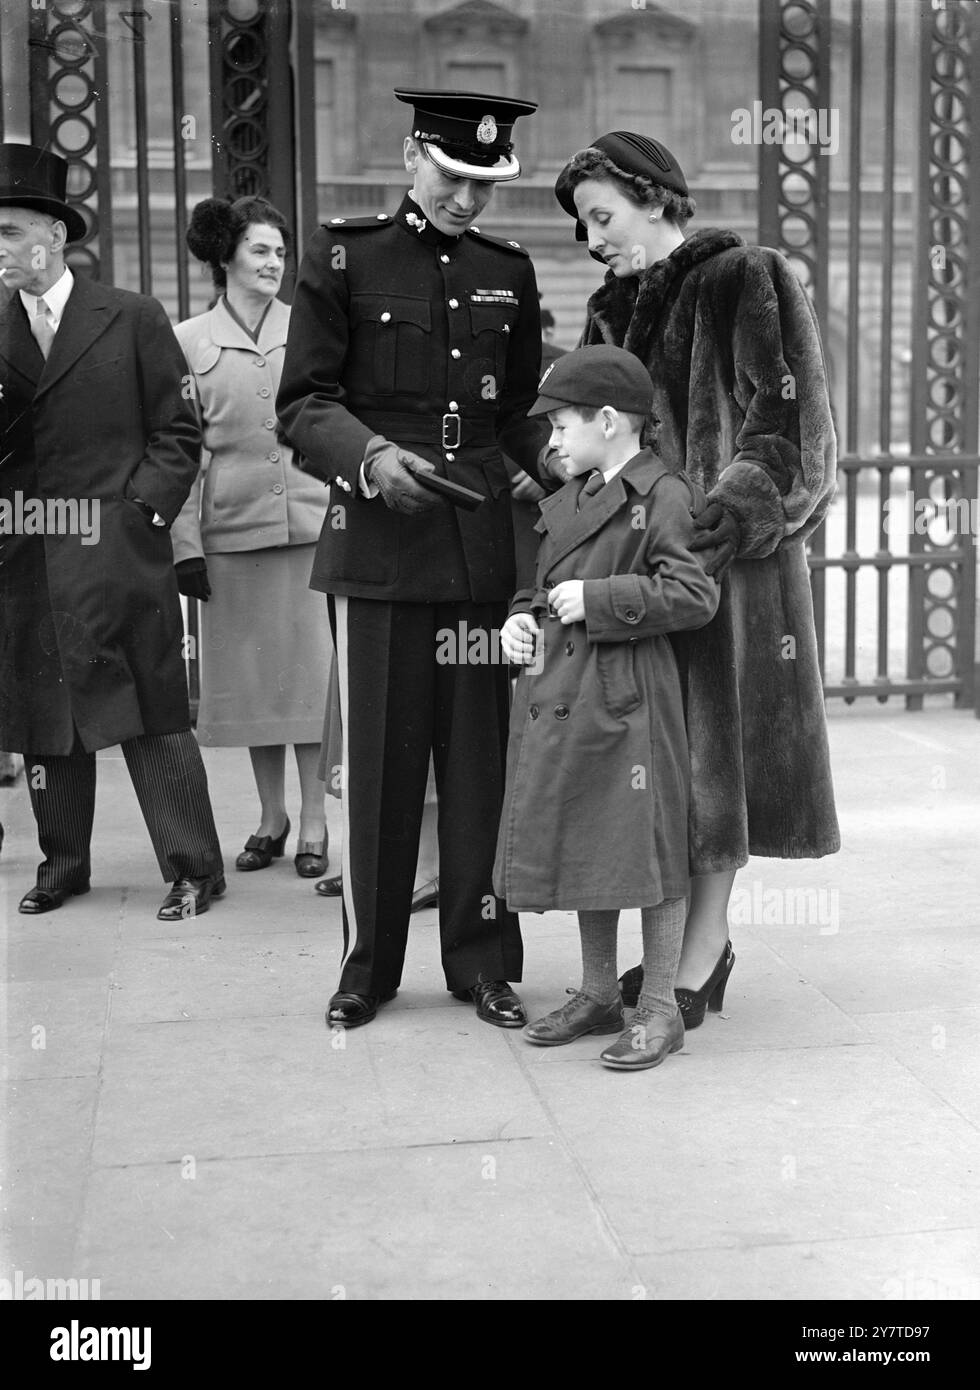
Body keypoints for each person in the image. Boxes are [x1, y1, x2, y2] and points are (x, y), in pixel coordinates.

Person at [553, 132, 840, 1020]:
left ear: (655, 198)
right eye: (583, 224)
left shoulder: (744, 276)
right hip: (640, 570)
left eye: (602, 215)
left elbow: (793, 425)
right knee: (659, 758)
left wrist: (729, 514)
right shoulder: (611, 309)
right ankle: (674, 951)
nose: (593, 236)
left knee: (719, 756)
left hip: (732, 570)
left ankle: (702, 951)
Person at [277, 89, 546, 1030]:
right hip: (379, 552)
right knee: (381, 768)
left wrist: (568, 477)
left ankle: (483, 962)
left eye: (486, 182)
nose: (470, 199)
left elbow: (516, 416)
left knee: (480, 767)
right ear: (410, 157)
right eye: (453, 176)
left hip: (475, 558)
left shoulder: (507, 272)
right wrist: (371, 461)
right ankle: (369, 966)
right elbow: (302, 402)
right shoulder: (344, 254)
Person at [0, 143, 224, 920]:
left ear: (54, 238)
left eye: (9, 231)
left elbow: (178, 431)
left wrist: (143, 516)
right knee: (44, 711)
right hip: (28, 551)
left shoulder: (130, 317)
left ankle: (195, 867)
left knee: (150, 706)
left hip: (120, 550)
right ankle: (63, 863)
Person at [494, 345, 720, 1069]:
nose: (551, 442)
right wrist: (521, 616)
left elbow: (693, 597)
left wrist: (599, 601)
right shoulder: (577, 495)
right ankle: (597, 992)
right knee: (590, 837)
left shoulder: (666, 495)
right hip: (567, 692)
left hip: (631, 698)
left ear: (611, 421)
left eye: (561, 426)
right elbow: (543, 583)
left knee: (647, 849)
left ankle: (658, 1008)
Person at [172, 196, 332, 880]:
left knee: (311, 686)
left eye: (280, 251)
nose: (275, 263)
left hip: (311, 531)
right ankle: (272, 817)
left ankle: (316, 821)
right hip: (231, 538)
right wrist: (185, 547)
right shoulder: (187, 341)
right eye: (261, 250)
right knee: (254, 689)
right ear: (226, 257)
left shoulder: (312, 331)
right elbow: (181, 450)